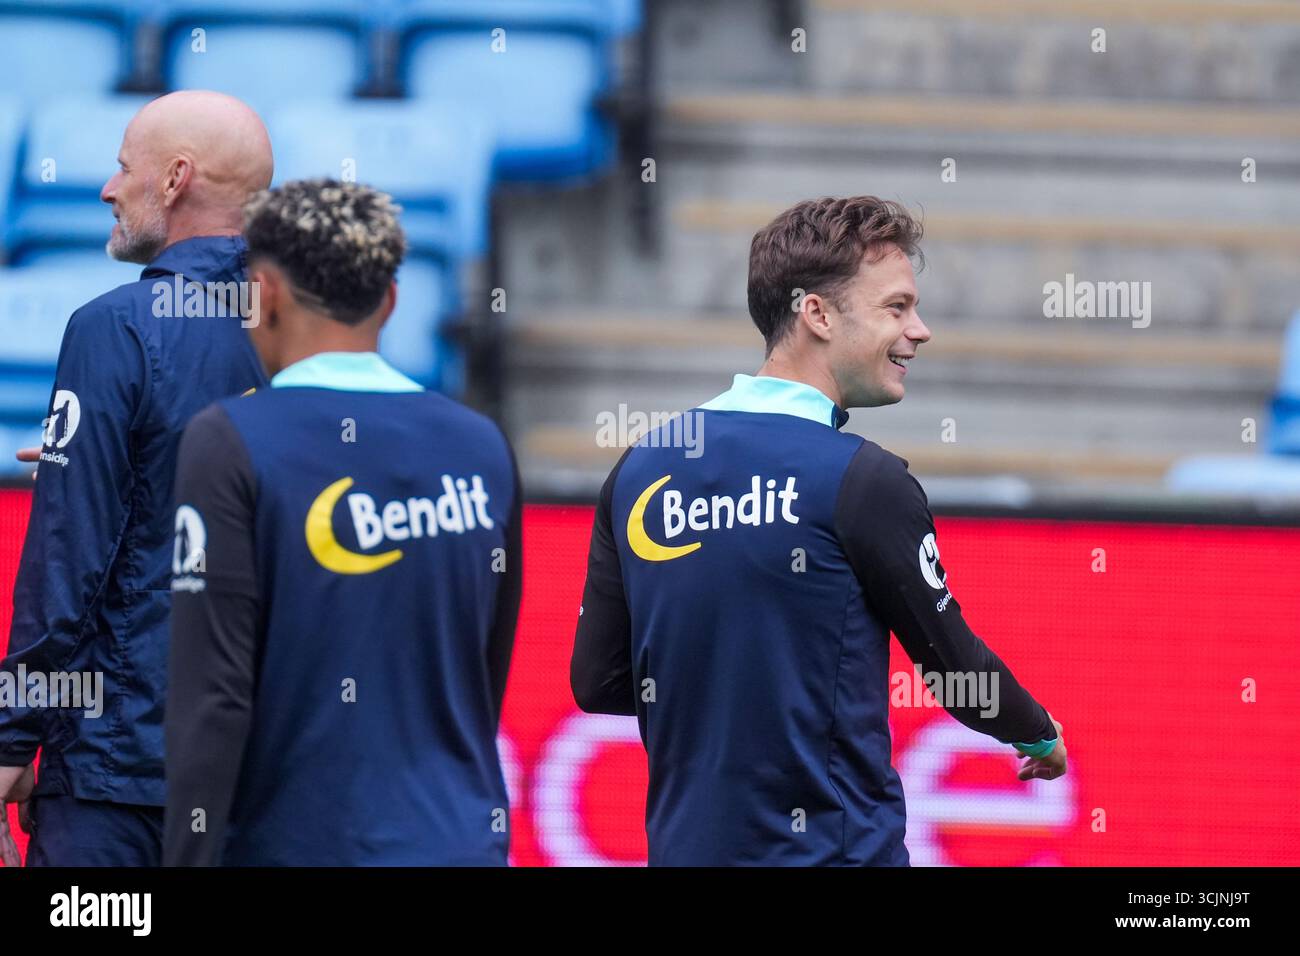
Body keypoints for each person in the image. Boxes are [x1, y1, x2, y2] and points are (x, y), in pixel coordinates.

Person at [570, 196, 1066, 866]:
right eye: (897, 307)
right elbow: (955, 672)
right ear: (818, 314)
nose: (920, 330)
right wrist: (1038, 734)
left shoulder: (643, 466)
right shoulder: (864, 480)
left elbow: (598, 681)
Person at [163, 179, 521, 866]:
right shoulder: (482, 445)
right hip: (459, 843)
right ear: (388, 301)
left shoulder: (228, 439)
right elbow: (484, 677)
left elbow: (213, 698)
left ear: (262, 294)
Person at [0, 91, 273, 866]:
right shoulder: (299, 337)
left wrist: (12, 730)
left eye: (124, 168)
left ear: (176, 177)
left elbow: (68, 557)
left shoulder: (112, 327)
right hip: (257, 785)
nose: (107, 189)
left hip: (115, 784)